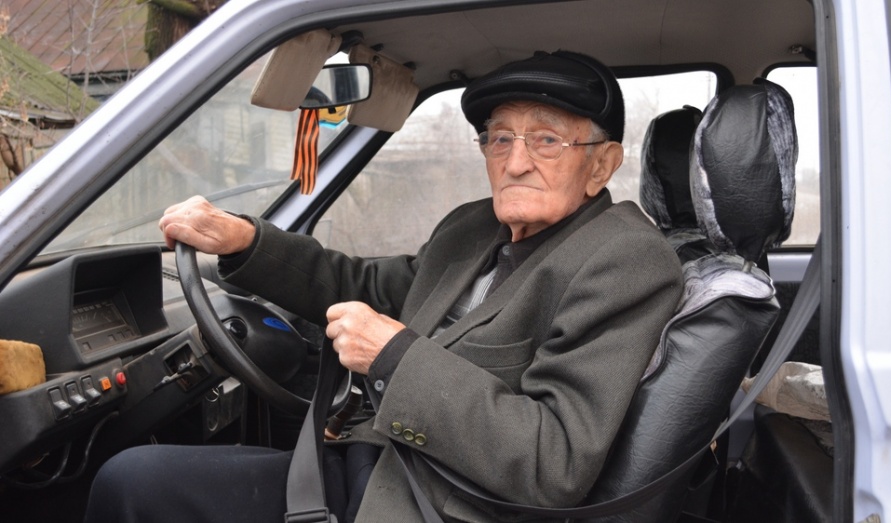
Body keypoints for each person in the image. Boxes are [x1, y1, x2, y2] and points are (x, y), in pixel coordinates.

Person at [85, 50, 683, 522]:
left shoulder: (625, 259)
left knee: (131, 483)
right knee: (137, 477)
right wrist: (245, 241)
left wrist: (394, 357)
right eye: (500, 138)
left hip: (430, 503)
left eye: (547, 140)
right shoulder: (475, 225)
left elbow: (554, 462)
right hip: (368, 457)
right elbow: (369, 285)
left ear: (601, 165)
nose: (515, 161)